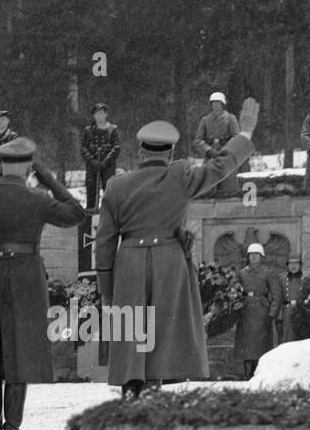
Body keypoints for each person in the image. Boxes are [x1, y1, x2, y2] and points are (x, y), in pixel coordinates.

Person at [95, 98, 260, 399]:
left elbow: (104, 244)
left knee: (131, 341)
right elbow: (220, 166)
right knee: (159, 343)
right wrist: (244, 136)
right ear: (170, 152)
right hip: (168, 265)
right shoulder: (180, 175)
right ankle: (153, 407)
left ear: (140, 151)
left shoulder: (116, 186)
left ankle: (131, 406)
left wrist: (106, 291)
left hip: (129, 264)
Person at [0, 137, 87, 430]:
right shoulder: (38, 198)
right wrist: (48, 178)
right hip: (26, 278)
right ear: (29, 166)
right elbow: (76, 213)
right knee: (21, 352)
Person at [234, 243, 280, 379]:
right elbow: (234, 287)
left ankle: (257, 369)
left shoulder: (268, 272)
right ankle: (247, 369)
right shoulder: (242, 273)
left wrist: (272, 313)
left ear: (261, 257)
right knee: (245, 342)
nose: (253, 257)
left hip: (261, 310)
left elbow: (276, 294)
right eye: (251, 255)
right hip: (245, 310)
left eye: (256, 255)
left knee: (260, 342)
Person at [193, 91, 243, 197]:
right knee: (207, 185)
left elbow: (237, 137)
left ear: (222, 104)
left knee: (228, 186)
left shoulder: (230, 118)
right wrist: (208, 150)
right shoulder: (205, 120)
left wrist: (226, 150)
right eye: (213, 104)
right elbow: (198, 140)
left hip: (226, 156)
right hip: (210, 156)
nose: (216, 106)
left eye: (218, 103)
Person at [81, 102, 121, 208]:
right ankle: (90, 215)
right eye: (97, 114)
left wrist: (106, 161)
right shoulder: (88, 131)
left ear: (106, 114)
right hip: (92, 166)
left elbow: (116, 147)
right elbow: (83, 148)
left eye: (102, 113)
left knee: (109, 191)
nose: (99, 116)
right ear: (93, 115)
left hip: (108, 166)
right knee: (91, 190)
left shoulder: (113, 129)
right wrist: (92, 161)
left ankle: (110, 216)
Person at [279, 253, 305, 343]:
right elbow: (278, 298)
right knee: (287, 335)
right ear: (287, 265)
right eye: (291, 264)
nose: (293, 266)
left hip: (301, 311)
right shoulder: (282, 279)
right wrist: (279, 316)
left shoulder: (305, 279)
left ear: (300, 265)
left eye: (296, 263)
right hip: (287, 311)